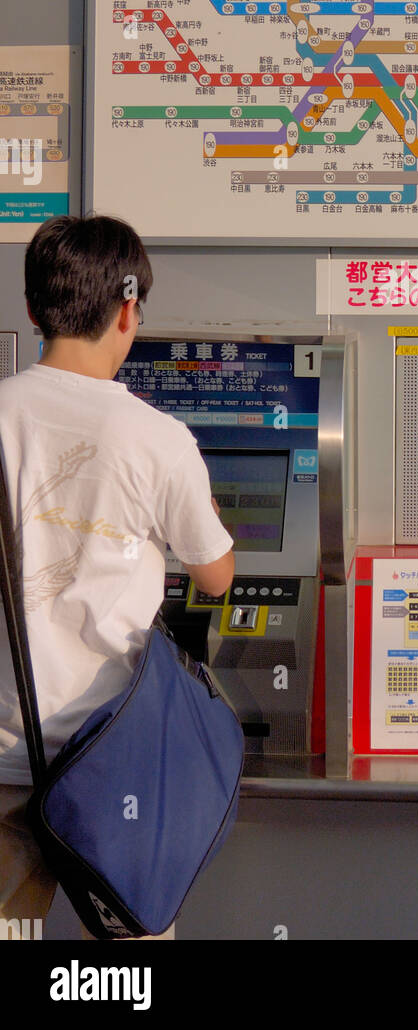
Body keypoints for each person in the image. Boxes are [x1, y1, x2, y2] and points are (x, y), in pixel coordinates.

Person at [0, 213, 235, 939]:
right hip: (113, 761)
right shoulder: (157, 439)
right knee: (134, 947)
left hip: (3, 752)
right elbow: (216, 574)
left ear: (35, 311)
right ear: (129, 310)